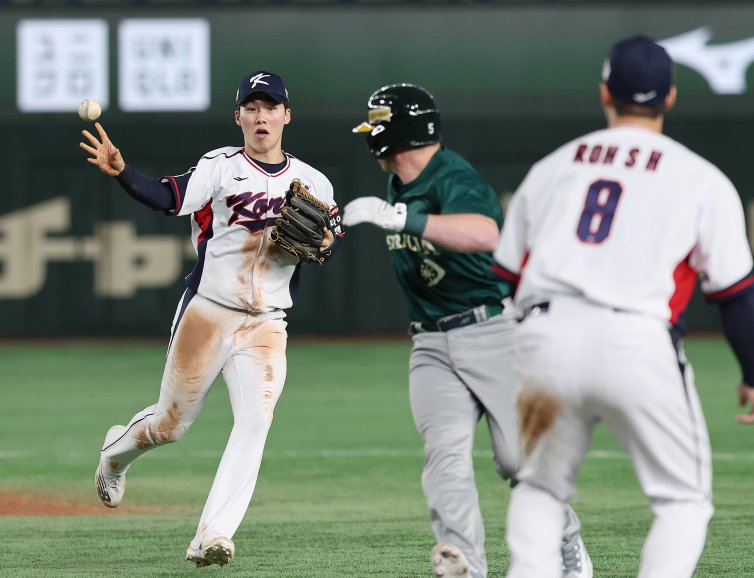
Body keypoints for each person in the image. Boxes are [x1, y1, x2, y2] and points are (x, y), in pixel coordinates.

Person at [493, 36, 754, 578]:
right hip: (636, 341)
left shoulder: (554, 166)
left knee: (542, 486)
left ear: (605, 93)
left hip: (544, 335)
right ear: (670, 97)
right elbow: (735, 293)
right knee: (682, 501)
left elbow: (502, 275)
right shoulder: (700, 176)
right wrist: (753, 377)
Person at [80, 70, 343, 568]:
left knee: (256, 420)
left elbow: (331, 236)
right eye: (252, 107)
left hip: (267, 322)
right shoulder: (221, 166)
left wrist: (327, 240)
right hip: (209, 311)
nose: (261, 116)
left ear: (287, 115)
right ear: (238, 116)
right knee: (170, 425)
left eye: (271, 107)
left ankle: (213, 535)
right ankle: (114, 455)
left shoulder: (314, 181)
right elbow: (169, 198)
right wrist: (122, 172)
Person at [343, 83, 591, 578]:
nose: (371, 136)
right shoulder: (399, 180)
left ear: (400, 131)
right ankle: (464, 564)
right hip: (431, 344)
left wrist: (397, 217)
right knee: (445, 459)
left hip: (491, 332)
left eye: (377, 124)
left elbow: (486, 233)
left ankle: (567, 545)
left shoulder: (450, 174)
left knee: (518, 462)